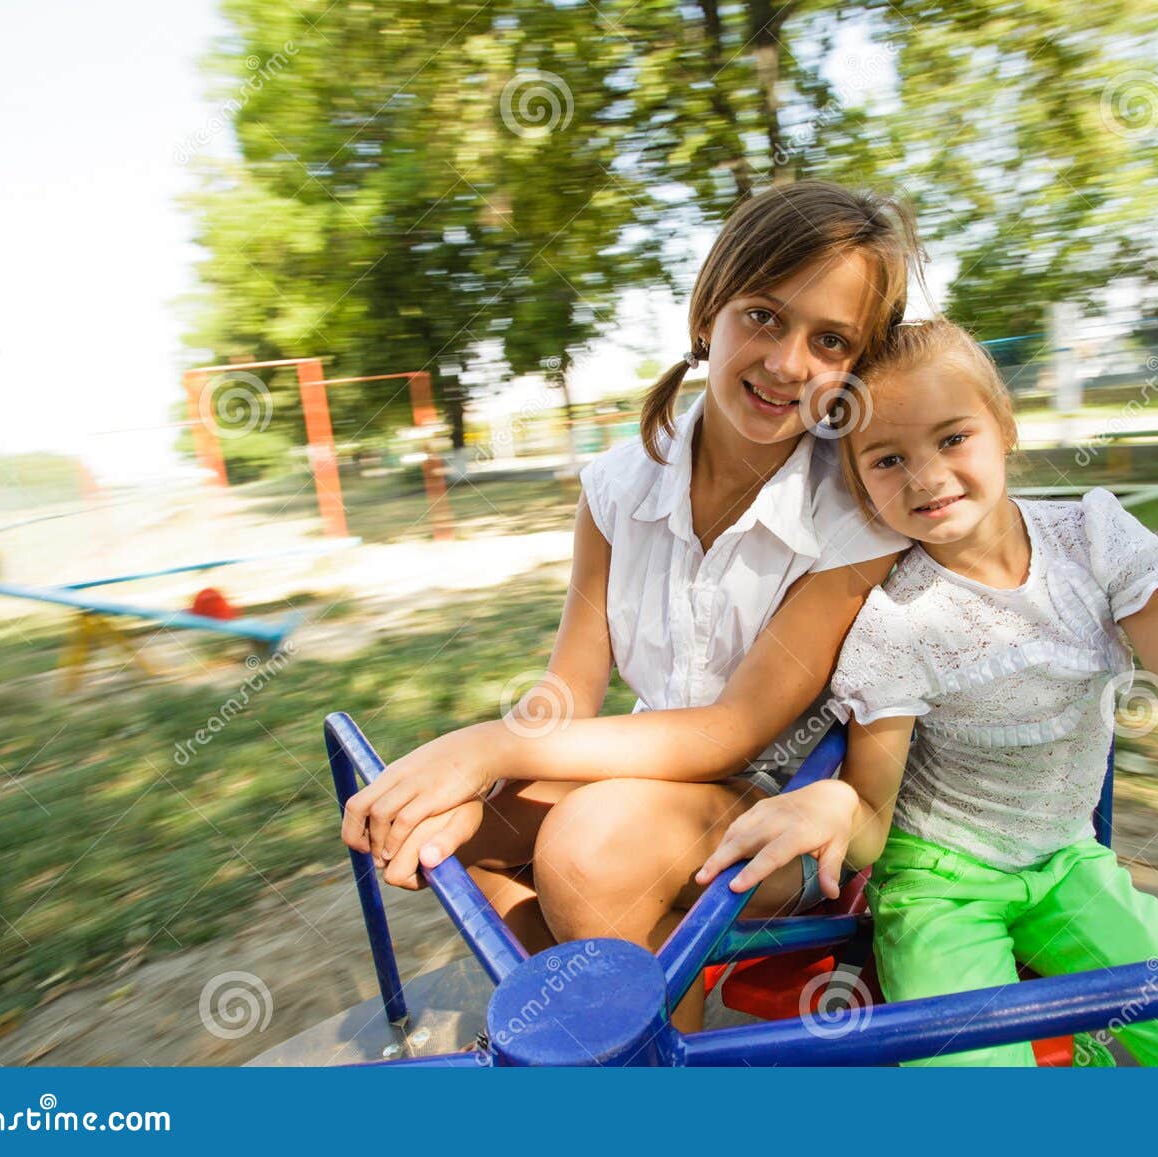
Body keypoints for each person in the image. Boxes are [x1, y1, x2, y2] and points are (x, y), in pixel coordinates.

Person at [696, 317, 1158, 1065]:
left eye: (952, 438)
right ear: (859, 486)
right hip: (938, 885)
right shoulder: (894, 621)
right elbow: (870, 815)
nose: (926, 476)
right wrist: (833, 804)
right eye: (888, 459)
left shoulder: (1094, 537)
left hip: (1069, 859)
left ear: (1004, 428)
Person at [340, 180, 921, 1028]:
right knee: (441, 827)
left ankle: (647, 1071)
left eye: (829, 340)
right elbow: (569, 691)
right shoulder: (617, 487)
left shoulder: (852, 515)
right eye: (763, 315)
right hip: (646, 782)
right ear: (708, 312)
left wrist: (481, 744)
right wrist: (483, 783)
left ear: (855, 367)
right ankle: (604, 1040)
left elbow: (734, 731)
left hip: (788, 811)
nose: (789, 362)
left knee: (588, 846)